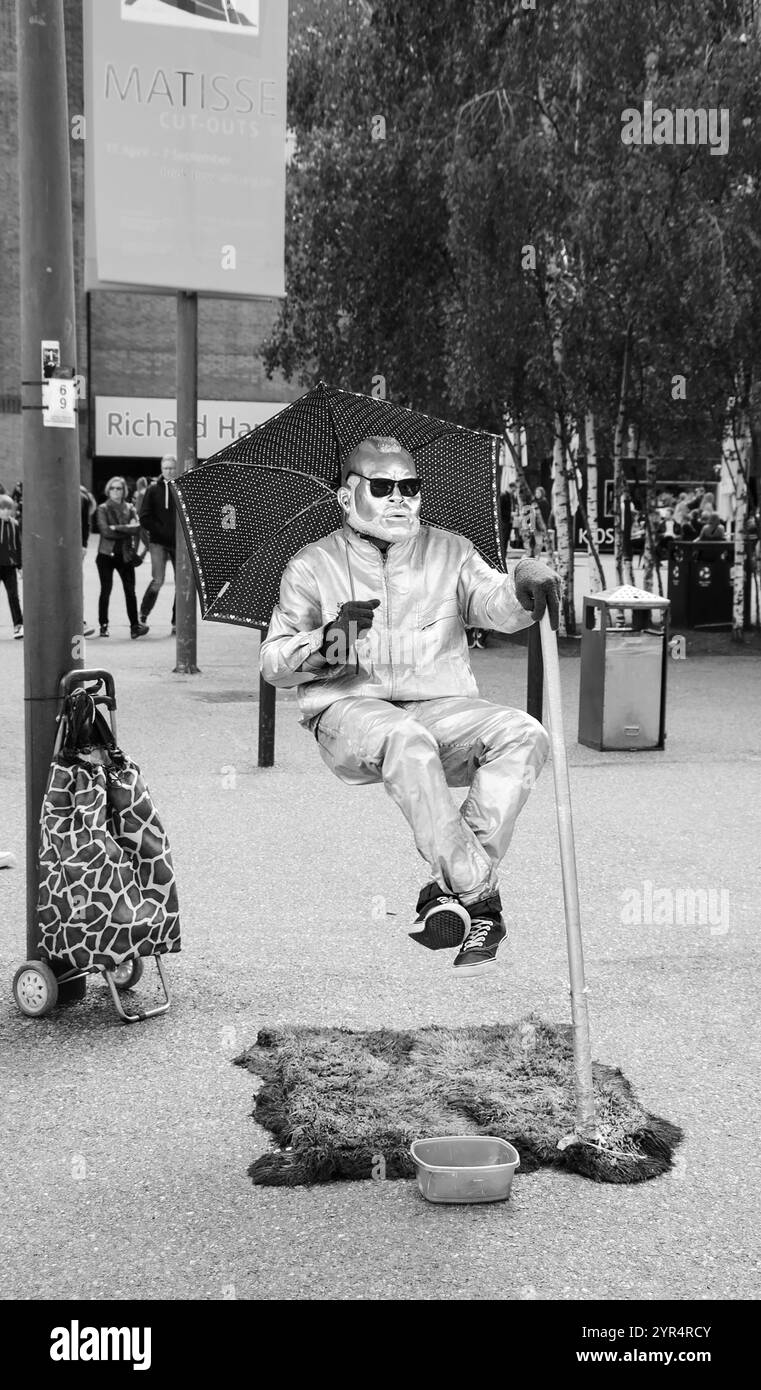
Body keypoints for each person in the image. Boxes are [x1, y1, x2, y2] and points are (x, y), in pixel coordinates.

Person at [260, 436, 559, 977]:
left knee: (526, 733)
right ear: (346, 497)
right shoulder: (312, 565)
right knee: (406, 739)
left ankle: (450, 895)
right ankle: (481, 899)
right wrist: (328, 642)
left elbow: (497, 605)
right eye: (383, 487)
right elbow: (274, 663)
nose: (400, 498)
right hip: (348, 710)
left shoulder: (452, 551)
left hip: (439, 705)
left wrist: (521, 584)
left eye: (410, 487)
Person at [95, 477, 149, 639]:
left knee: (130, 591)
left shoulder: (130, 508)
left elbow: (137, 528)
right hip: (106, 555)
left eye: (119, 488)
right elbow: (105, 531)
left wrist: (117, 528)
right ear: (108, 490)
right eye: (113, 488)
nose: (116, 491)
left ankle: (135, 626)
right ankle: (103, 625)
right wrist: (126, 529)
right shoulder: (102, 508)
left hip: (125, 555)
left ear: (124, 490)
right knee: (106, 590)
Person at [139, 455, 177, 635]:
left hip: (179, 544)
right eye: (166, 468)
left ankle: (177, 622)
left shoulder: (182, 488)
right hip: (158, 542)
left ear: (176, 468)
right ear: (161, 469)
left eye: (171, 468)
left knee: (182, 584)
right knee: (158, 580)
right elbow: (144, 517)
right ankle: (142, 614)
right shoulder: (153, 490)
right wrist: (160, 531)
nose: (168, 471)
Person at [0, 492, 23, 637]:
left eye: (9, 509)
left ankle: (18, 625)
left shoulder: (15, 524)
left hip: (9, 566)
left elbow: (18, 546)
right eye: (3, 508)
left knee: (13, 596)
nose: (6, 511)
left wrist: (20, 566)